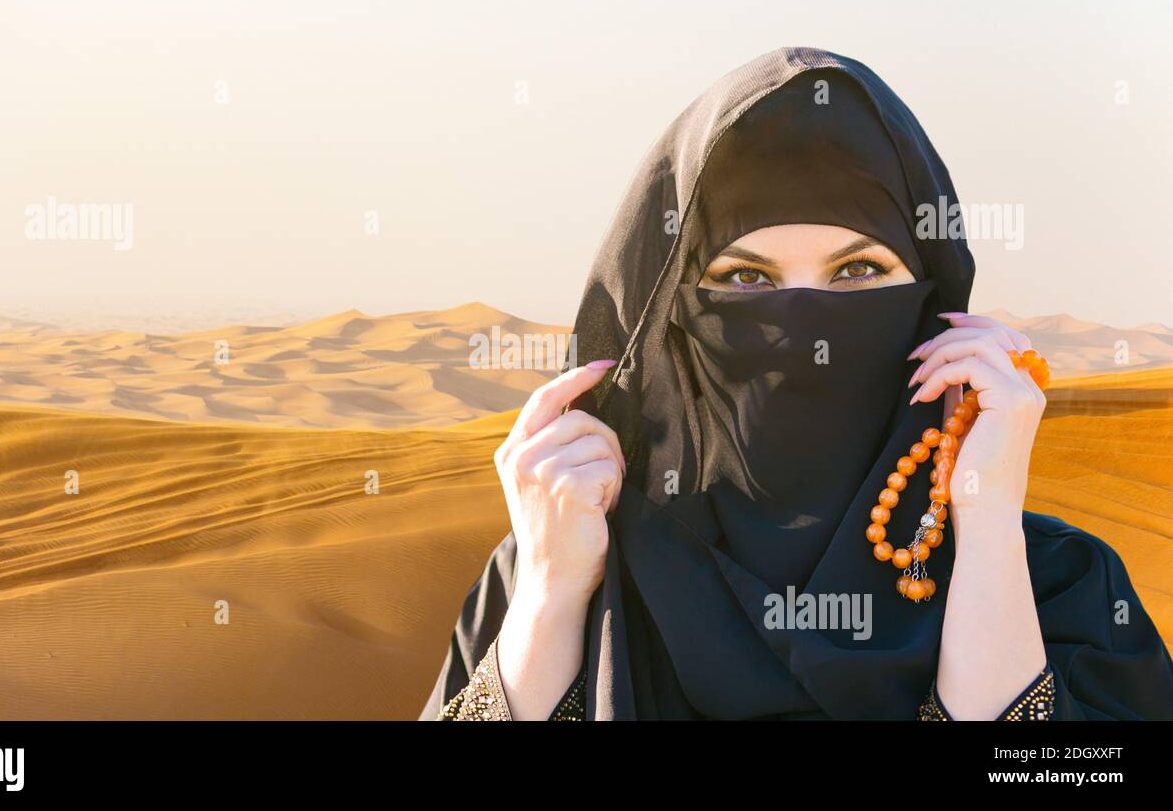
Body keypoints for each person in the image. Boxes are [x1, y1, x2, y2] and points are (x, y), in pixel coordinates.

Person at [419, 47, 1173, 720]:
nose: (808, 325)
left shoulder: (1060, 586)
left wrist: (987, 542)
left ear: (932, 305)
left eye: (858, 271)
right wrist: (550, 601)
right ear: (670, 320)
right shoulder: (556, 565)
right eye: (745, 278)